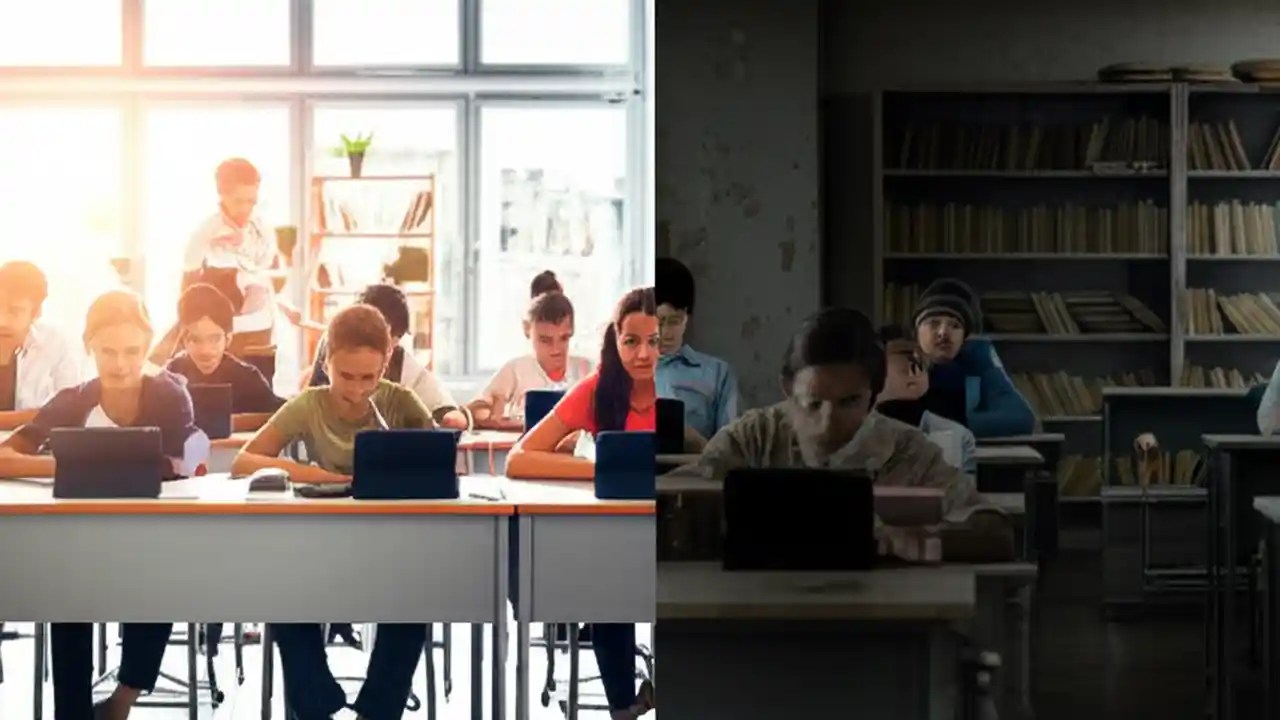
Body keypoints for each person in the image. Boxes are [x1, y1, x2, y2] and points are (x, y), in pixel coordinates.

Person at [0, 290, 208, 719]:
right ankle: (72, 713)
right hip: (78, 542)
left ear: (147, 347)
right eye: (107, 351)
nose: (120, 364)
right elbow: (6, 456)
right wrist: (67, 468)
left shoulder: (169, 394)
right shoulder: (75, 399)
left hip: (151, 538)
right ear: (88, 346)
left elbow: (194, 458)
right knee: (66, 593)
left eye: (132, 351)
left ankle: (123, 699)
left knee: (160, 581)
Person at [673, 306, 1011, 562]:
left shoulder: (908, 451)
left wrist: (911, 539)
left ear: (874, 394)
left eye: (849, 402)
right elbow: (679, 496)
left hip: (880, 622)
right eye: (813, 403)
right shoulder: (752, 437)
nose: (828, 422)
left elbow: (996, 533)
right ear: (788, 388)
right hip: (756, 616)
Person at [232, 304, 433, 718]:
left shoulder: (403, 403)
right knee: (284, 603)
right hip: (318, 551)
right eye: (346, 375)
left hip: (388, 551)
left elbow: (440, 465)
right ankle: (317, 706)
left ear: (386, 365)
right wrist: (314, 473)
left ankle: (376, 712)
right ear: (326, 362)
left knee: (417, 604)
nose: (357, 389)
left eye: (369, 378)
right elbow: (245, 460)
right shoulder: (309, 404)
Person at [506, 286, 658, 720]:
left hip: (675, 531)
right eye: (631, 341)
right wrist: (605, 468)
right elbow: (519, 459)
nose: (643, 354)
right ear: (616, 340)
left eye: (654, 342)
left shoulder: (681, 390)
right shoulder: (597, 389)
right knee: (609, 578)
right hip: (613, 537)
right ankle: (623, 706)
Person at [151, 158, 301, 365]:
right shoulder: (204, 233)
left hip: (260, 330)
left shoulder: (261, 229)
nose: (246, 209)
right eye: (240, 201)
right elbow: (188, 291)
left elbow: (265, 279)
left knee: (256, 386)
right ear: (222, 194)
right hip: (218, 332)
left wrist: (286, 307)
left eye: (252, 201)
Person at [305, 283, 470, 430]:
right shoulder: (331, 347)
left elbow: (444, 412)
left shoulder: (405, 372)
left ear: (395, 342)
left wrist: (456, 417)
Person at [468, 270, 592, 430]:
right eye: (545, 340)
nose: (556, 350)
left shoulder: (586, 370)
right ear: (527, 330)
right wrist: (499, 420)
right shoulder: (516, 369)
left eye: (564, 338)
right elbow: (477, 409)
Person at [913, 278, 1036, 438]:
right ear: (916, 332)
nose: (943, 332)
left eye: (955, 325)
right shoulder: (899, 361)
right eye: (933, 323)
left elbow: (1021, 419)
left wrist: (943, 427)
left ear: (965, 337)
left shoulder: (977, 358)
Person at [655, 257, 739, 451]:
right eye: (658, 321)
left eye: (674, 321)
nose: (665, 332)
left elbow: (731, 452)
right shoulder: (624, 370)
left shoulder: (718, 374)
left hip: (694, 475)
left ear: (687, 318)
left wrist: (697, 443)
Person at [166, 283, 284, 419]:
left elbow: (277, 417)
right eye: (195, 339)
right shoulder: (171, 376)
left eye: (214, 339)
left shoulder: (248, 378)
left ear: (228, 339)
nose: (205, 351)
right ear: (184, 341)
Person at [876, 324, 977, 473]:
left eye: (922, 358)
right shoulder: (852, 432)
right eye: (904, 357)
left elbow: (966, 493)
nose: (916, 369)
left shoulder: (958, 436)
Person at [0, 261, 82, 429]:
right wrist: (34, 415)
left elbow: (69, 411)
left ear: (36, 312)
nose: (2, 321)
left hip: (31, 449)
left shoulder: (56, 345)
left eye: (14, 311)